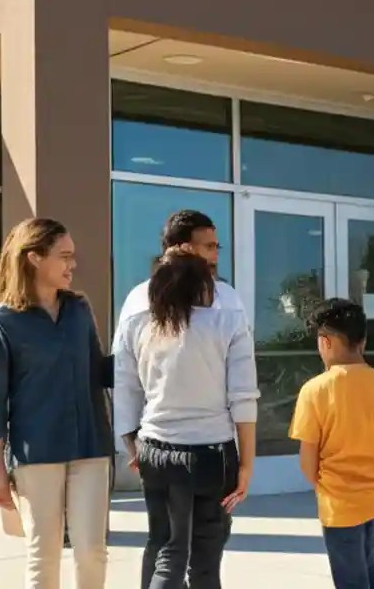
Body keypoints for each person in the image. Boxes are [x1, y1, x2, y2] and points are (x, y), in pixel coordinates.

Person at [0, 218, 114, 588]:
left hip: (90, 445)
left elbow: (99, 370)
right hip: (35, 452)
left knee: (92, 550)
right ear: (34, 258)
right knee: (44, 553)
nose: (73, 265)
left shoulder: (78, 309)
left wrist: (147, 351)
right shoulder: (3, 320)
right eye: (64, 256)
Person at [113, 248, 259, 589]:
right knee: (206, 562)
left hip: (156, 451)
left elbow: (127, 388)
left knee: (168, 551)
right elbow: (244, 398)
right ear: (203, 287)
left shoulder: (140, 325)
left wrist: (131, 445)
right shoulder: (228, 323)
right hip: (213, 455)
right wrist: (246, 466)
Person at [289, 299, 374, 589]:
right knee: (367, 569)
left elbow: (308, 456)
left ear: (325, 342)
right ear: (363, 340)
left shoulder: (314, 390)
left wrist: (321, 484)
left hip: (340, 503)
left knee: (350, 579)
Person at [115, 209, 245, 328]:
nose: (215, 255)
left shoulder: (227, 300)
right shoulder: (140, 300)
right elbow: (123, 352)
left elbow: (242, 352)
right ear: (182, 250)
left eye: (217, 247)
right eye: (209, 247)